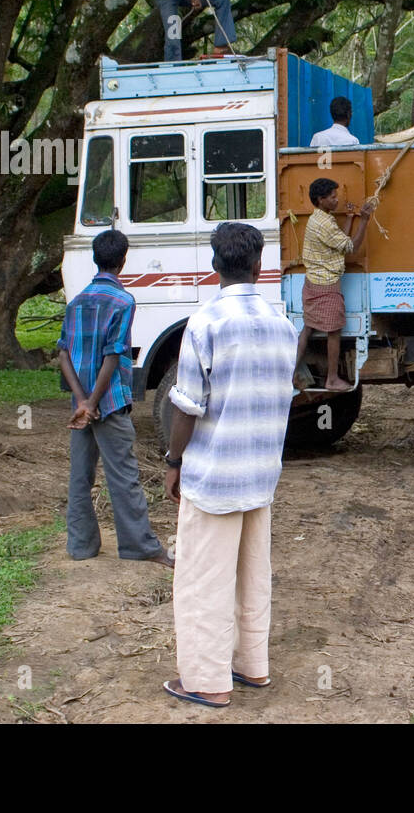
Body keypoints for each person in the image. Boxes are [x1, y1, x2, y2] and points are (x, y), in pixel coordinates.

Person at [163, 222, 298, 707]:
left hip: (214, 475)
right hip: (261, 474)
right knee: (251, 573)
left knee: (204, 579)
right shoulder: (284, 326)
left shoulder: (206, 322)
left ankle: (206, 681)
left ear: (215, 265)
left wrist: (173, 461)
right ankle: (251, 667)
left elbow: (187, 406)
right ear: (259, 267)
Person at [57, 230, 171, 568]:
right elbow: (112, 355)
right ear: (123, 261)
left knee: (80, 476)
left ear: (95, 259)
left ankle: (81, 546)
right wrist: (93, 403)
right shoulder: (123, 302)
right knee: (123, 476)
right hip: (109, 402)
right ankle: (139, 546)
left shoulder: (77, 301)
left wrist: (80, 402)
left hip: (80, 405)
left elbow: (63, 353)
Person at [294, 177, 376, 391]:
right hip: (327, 285)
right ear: (321, 200)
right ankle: (331, 379)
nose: (336, 200)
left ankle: (291, 372)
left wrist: (349, 218)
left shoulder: (320, 218)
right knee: (334, 331)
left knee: (308, 329)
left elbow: (338, 240)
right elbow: (351, 247)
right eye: (332, 197)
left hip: (313, 282)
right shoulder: (324, 224)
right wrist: (364, 220)